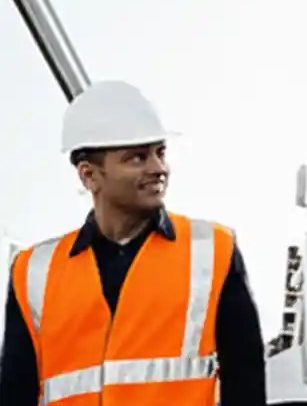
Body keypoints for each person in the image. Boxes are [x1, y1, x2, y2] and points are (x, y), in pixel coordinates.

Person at [0, 81, 267, 406]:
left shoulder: (213, 250)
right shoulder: (33, 272)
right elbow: (16, 392)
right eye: (137, 158)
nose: (158, 168)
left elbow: (246, 384)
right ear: (89, 176)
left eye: (160, 152)